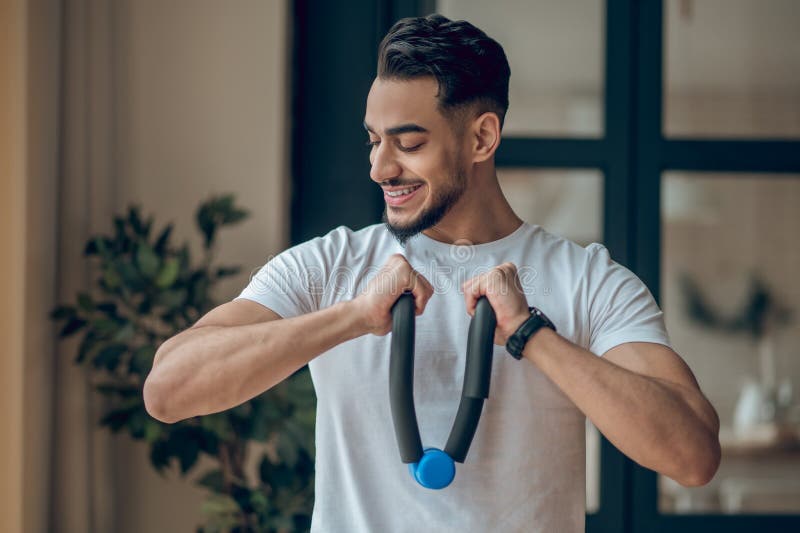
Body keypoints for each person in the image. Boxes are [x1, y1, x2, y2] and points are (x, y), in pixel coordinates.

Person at [144, 14, 720, 532]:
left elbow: (692, 455)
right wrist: (350, 318)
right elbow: (168, 390)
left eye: (409, 143)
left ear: (482, 137)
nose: (379, 167)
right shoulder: (327, 265)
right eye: (373, 141)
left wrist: (530, 334)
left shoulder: (587, 279)